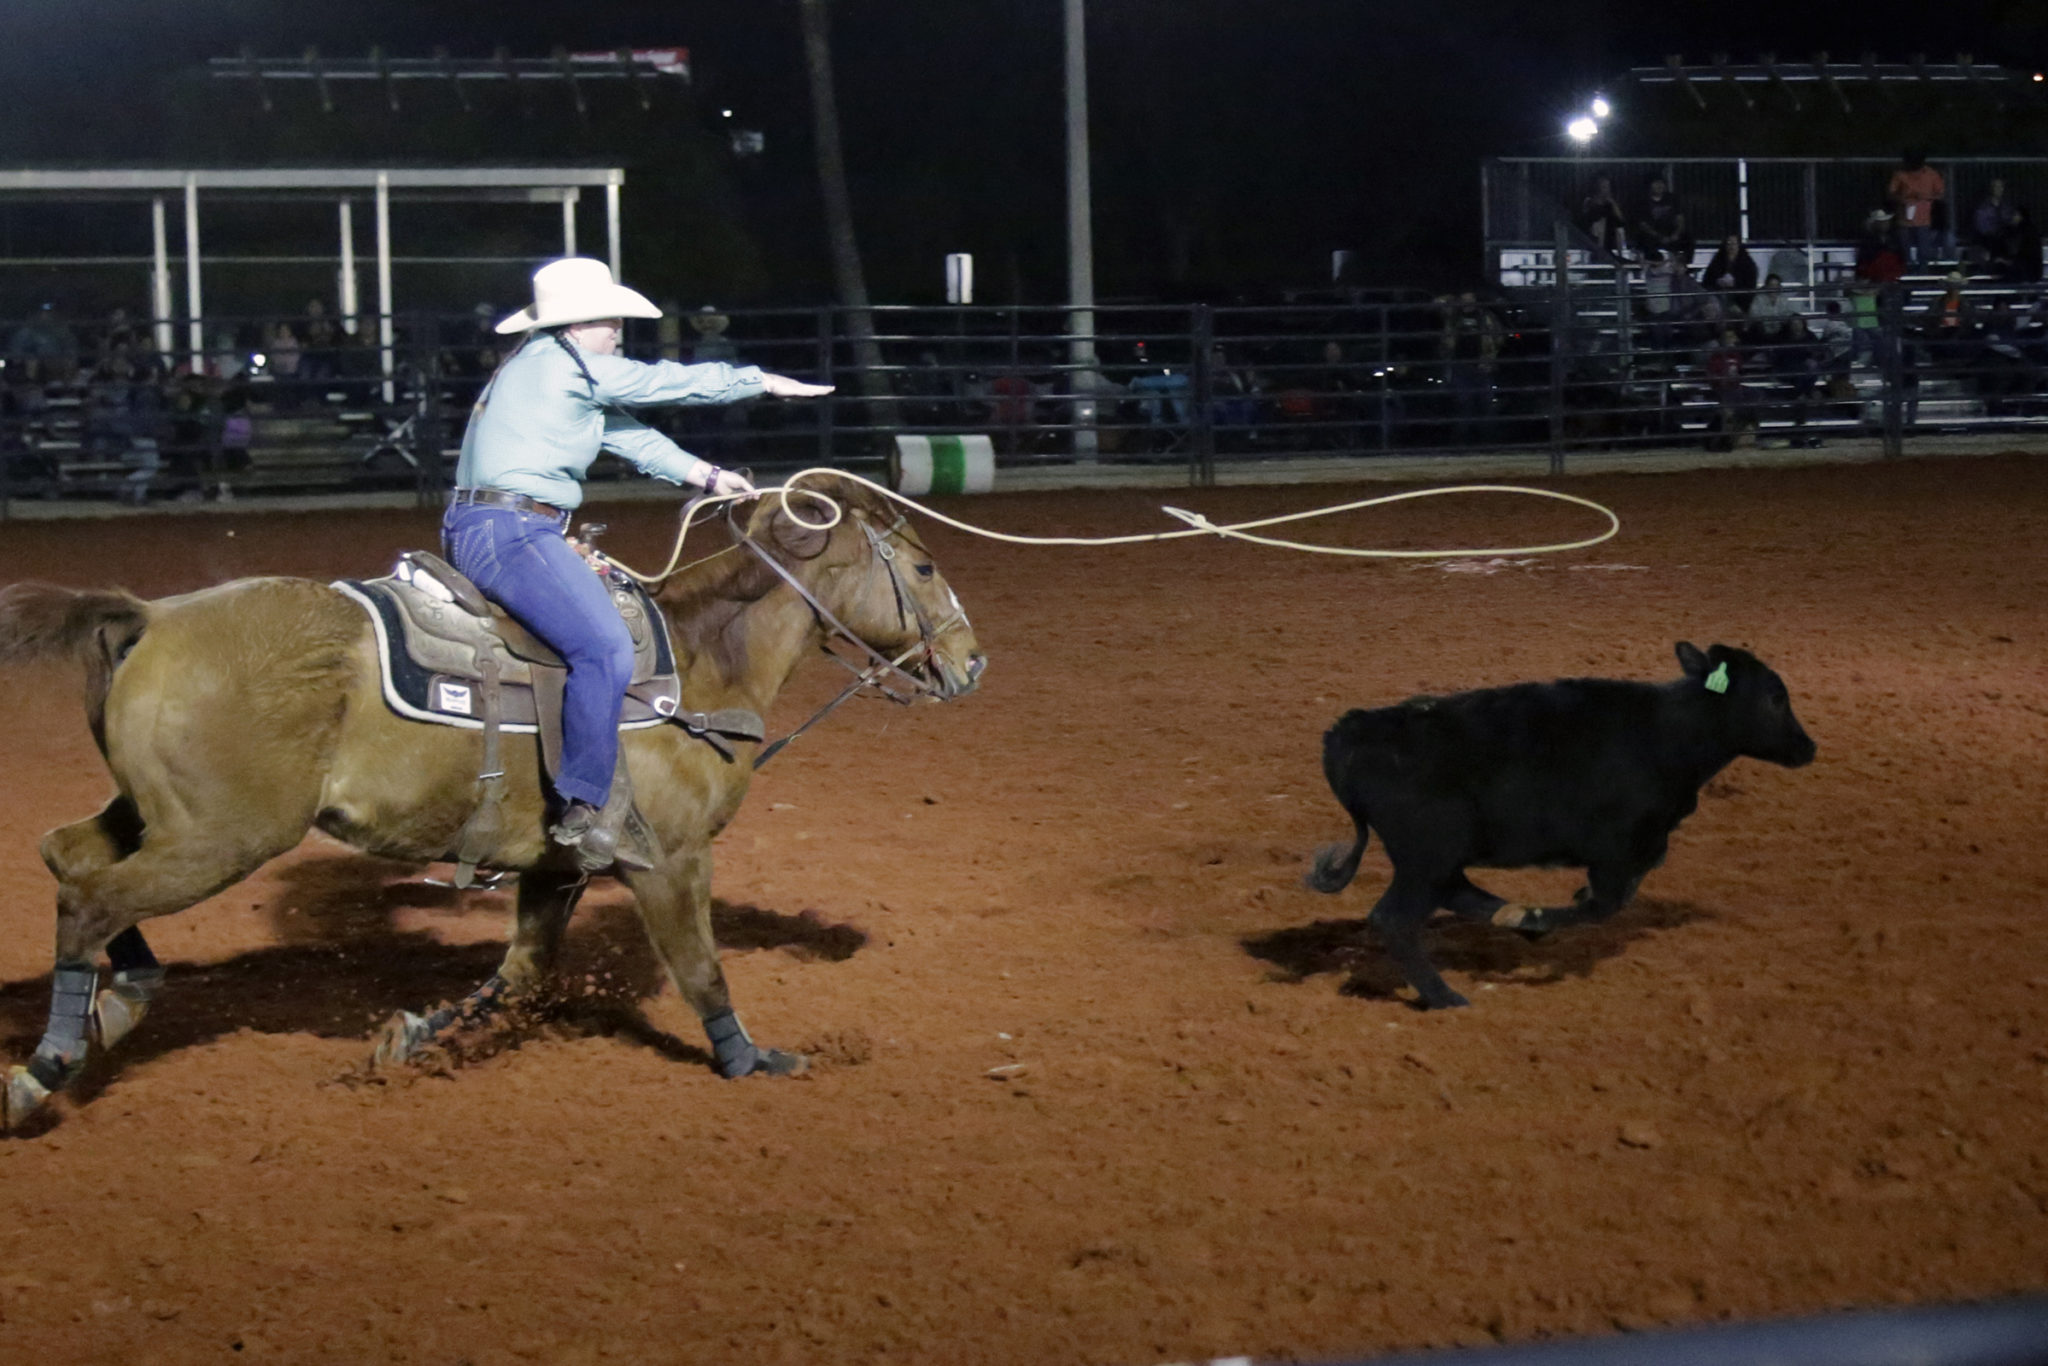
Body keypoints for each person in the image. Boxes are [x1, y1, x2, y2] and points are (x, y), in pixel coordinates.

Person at [443, 257, 832, 870]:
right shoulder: (562, 366)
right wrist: (758, 380)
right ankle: (584, 806)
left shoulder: (551, 369)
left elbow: (628, 435)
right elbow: (661, 384)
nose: (619, 330)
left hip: (497, 525)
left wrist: (705, 474)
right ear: (576, 325)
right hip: (513, 530)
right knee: (605, 649)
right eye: (610, 320)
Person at [1888, 151, 1946, 269]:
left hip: (1923, 219)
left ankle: (1922, 275)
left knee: (1924, 251)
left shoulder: (1931, 174)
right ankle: (1905, 272)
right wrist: (1902, 199)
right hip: (1904, 218)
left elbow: (1940, 194)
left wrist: (1926, 198)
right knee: (1904, 249)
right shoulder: (1899, 175)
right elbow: (1891, 194)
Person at [1702, 235, 1760, 317]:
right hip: (1718, 298)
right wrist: (1718, 282)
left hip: (1740, 300)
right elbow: (1707, 281)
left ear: (1739, 245)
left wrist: (1735, 284)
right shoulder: (1717, 261)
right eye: (1728, 243)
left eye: (1734, 244)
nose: (1731, 247)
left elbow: (1750, 286)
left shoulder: (1747, 263)